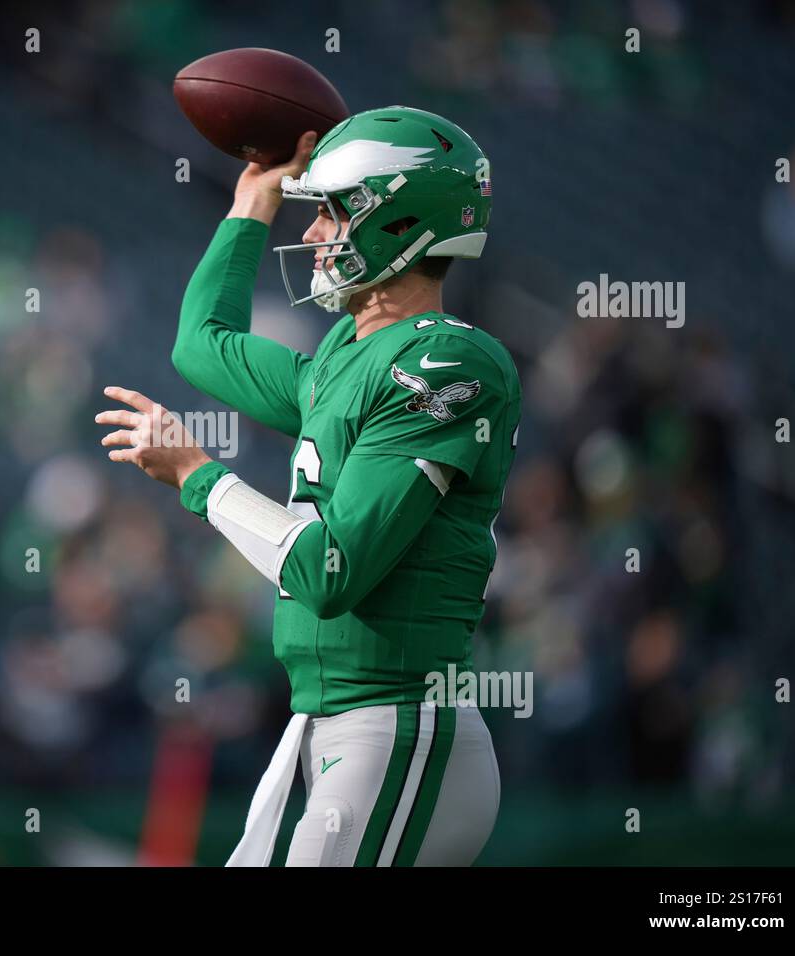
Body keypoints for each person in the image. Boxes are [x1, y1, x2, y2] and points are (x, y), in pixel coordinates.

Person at [97, 107, 520, 866]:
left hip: (398, 725)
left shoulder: (447, 364)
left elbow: (331, 572)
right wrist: (251, 201)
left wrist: (199, 480)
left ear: (397, 223)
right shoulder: (338, 361)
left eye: (333, 210)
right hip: (338, 728)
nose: (317, 232)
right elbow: (201, 345)